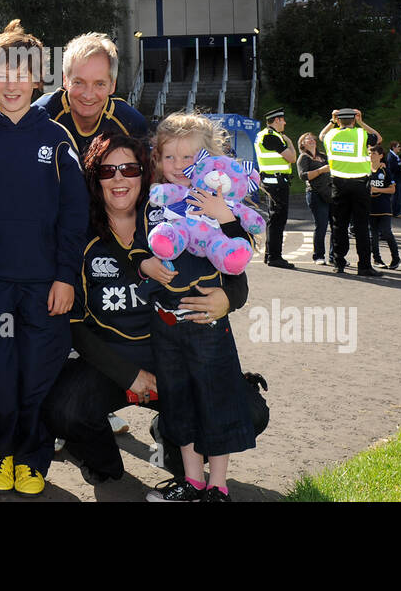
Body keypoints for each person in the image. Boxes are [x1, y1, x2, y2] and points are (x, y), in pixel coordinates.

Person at [42, 133, 248, 485]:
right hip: (112, 359)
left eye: (130, 168)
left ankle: (168, 434)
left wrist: (230, 298)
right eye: (107, 171)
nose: (119, 178)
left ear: (145, 174)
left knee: (249, 413)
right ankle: (103, 464)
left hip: (176, 352)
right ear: (94, 180)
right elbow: (73, 323)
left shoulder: (169, 221)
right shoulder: (80, 236)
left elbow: (231, 268)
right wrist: (129, 376)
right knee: (64, 410)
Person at [0, 20, 88, 496]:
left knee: (36, 374)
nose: (11, 83)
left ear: (37, 79)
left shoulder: (56, 140)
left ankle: (31, 458)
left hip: (44, 285)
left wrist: (66, 276)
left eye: (22, 72)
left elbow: (74, 217)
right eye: (2, 72)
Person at [137, 112, 258, 501]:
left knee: (215, 400)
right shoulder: (155, 199)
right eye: (168, 157)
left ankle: (218, 486)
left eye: (187, 158)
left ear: (210, 159)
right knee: (180, 403)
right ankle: (191, 481)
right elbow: (136, 249)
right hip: (166, 325)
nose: (177, 166)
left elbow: (241, 253)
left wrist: (225, 218)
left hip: (207, 324)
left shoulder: (221, 202)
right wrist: (144, 264)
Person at [33, 31, 148, 160]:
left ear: (112, 86)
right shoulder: (40, 116)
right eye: (79, 82)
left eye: (99, 84)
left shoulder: (131, 124)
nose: (88, 95)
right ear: (65, 80)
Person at [319, 108, 382, 276]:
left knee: (339, 225)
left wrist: (331, 121)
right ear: (354, 120)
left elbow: (321, 136)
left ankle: (339, 263)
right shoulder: (361, 134)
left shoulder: (330, 136)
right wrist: (361, 121)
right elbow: (378, 138)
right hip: (359, 185)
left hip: (338, 186)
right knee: (361, 226)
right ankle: (364, 266)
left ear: (338, 121)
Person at [256, 108, 297, 269]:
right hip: (276, 184)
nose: (285, 123)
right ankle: (275, 257)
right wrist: (291, 143)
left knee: (274, 220)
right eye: (283, 120)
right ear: (277, 120)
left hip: (273, 182)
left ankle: (270, 255)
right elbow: (292, 158)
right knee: (278, 221)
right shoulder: (271, 137)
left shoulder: (265, 135)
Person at [296, 132, 333, 265]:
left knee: (337, 226)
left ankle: (335, 256)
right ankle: (319, 255)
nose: (312, 141)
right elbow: (303, 176)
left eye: (313, 139)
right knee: (321, 225)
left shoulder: (323, 156)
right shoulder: (303, 157)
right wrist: (321, 170)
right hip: (316, 194)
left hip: (330, 194)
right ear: (302, 144)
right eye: (308, 139)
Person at [368, 145, 401, 270]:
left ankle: (396, 257)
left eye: (374, 153)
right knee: (373, 235)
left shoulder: (385, 171)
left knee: (386, 232)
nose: (371, 155)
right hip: (370, 208)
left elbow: (392, 189)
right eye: (370, 153)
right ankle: (377, 259)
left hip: (384, 207)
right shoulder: (364, 170)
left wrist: (377, 189)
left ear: (381, 156)